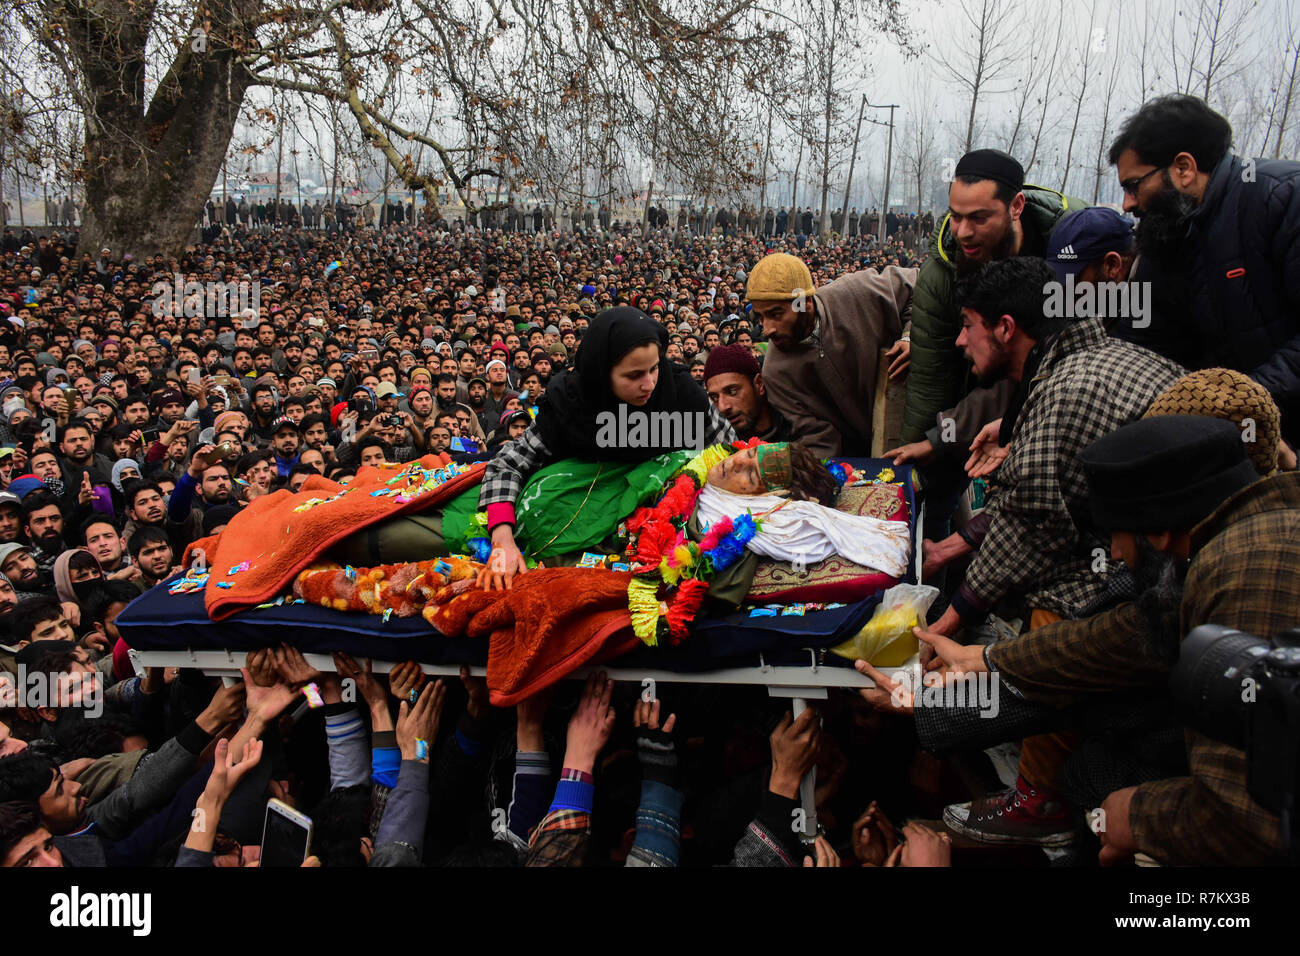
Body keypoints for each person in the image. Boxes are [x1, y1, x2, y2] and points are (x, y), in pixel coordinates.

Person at [476, 307, 734, 589]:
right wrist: (503, 540)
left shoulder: (683, 395)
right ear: (602, 372)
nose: (649, 384)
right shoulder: (570, 404)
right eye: (634, 375)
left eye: (654, 368)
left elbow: (731, 453)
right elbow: (507, 464)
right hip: (576, 528)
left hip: (667, 530)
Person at [1108, 94, 1300, 451]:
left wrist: (1236, 402)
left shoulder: (1281, 199)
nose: (1127, 204)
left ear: (1184, 168)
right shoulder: (1166, 237)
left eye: (1133, 185)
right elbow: (1139, 347)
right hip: (1238, 437)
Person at [901, 148, 1087, 446]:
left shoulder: (1076, 247)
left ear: (1016, 206)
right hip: (979, 409)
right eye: (955, 216)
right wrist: (922, 457)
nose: (962, 232)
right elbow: (930, 385)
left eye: (979, 218)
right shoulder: (939, 274)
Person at [747, 252, 913, 457]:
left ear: (804, 302)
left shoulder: (856, 292)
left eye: (775, 314)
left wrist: (910, 336)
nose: (767, 329)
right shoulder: (776, 373)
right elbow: (818, 438)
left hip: (929, 423)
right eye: (760, 317)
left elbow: (924, 290)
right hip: (869, 456)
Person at [702, 345, 792, 442]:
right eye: (714, 398)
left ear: (759, 384)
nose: (723, 407)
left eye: (732, 391)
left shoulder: (798, 428)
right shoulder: (716, 444)